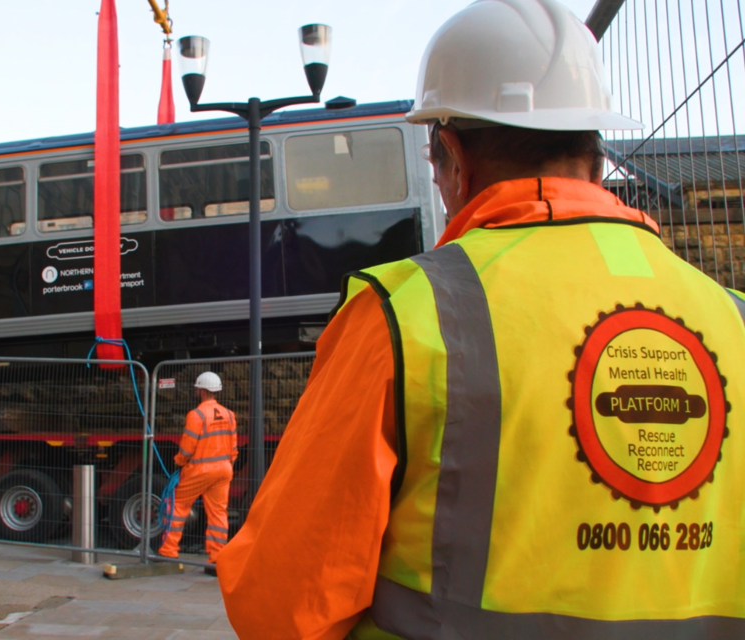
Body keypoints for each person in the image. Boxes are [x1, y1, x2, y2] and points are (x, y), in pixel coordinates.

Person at [217, 0, 745, 637]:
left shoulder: (404, 314)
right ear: (597, 157)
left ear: (453, 157)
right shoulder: (733, 320)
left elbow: (281, 602)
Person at [158, 371, 237, 571]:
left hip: (201, 469)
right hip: (224, 468)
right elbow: (234, 448)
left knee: (177, 505)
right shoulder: (229, 415)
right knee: (218, 513)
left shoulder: (197, 415)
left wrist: (179, 462)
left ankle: (168, 551)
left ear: (201, 391)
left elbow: (187, 447)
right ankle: (217, 558)